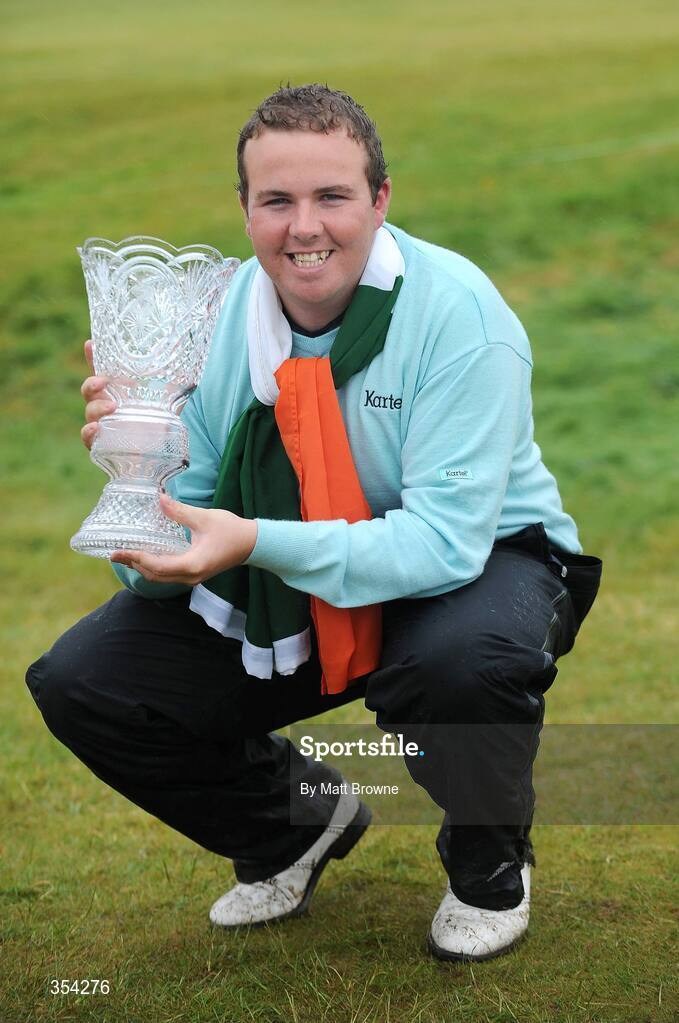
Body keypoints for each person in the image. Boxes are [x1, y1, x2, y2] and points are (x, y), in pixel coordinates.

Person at [26, 84, 601, 962]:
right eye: (277, 200)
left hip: (484, 560)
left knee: (459, 664)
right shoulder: (215, 325)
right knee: (84, 680)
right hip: (293, 563)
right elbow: (179, 539)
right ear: (245, 210)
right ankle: (294, 825)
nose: (305, 227)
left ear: (379, 199)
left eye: (332, 196)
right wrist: (137, 474)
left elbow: (443, 544)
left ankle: (488, 866)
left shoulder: (459, 315)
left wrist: (254, 541)